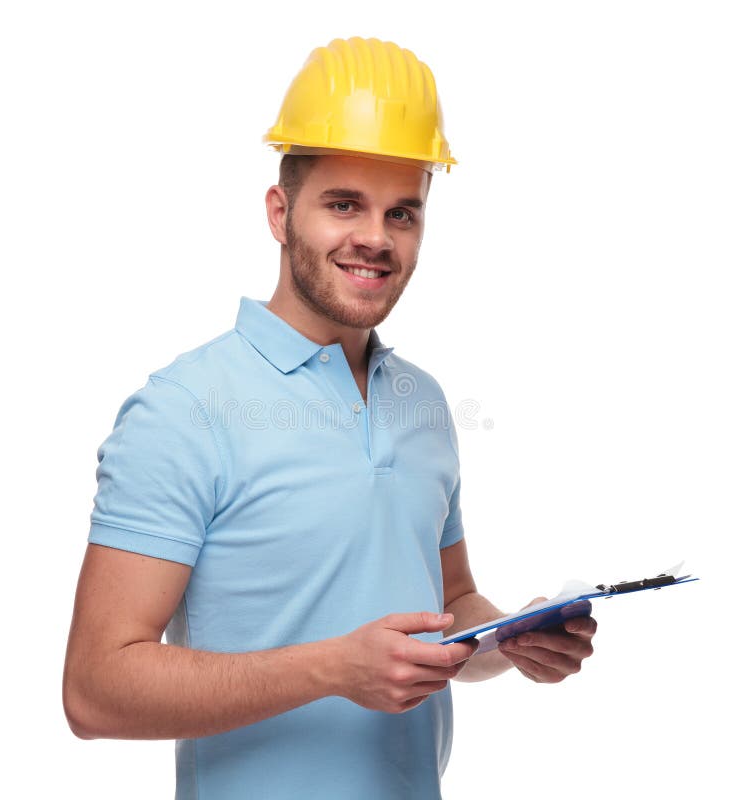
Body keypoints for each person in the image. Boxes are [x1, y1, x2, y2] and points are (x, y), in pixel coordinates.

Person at [63, 36, 597, 800]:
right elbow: (93, 689)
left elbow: (448, 608)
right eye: (344, 204)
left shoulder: (422, 403)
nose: (376, 238)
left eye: (402, 213)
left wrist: (506, 638)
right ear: (280, 212)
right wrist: (331, 669)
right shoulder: (182, 410)